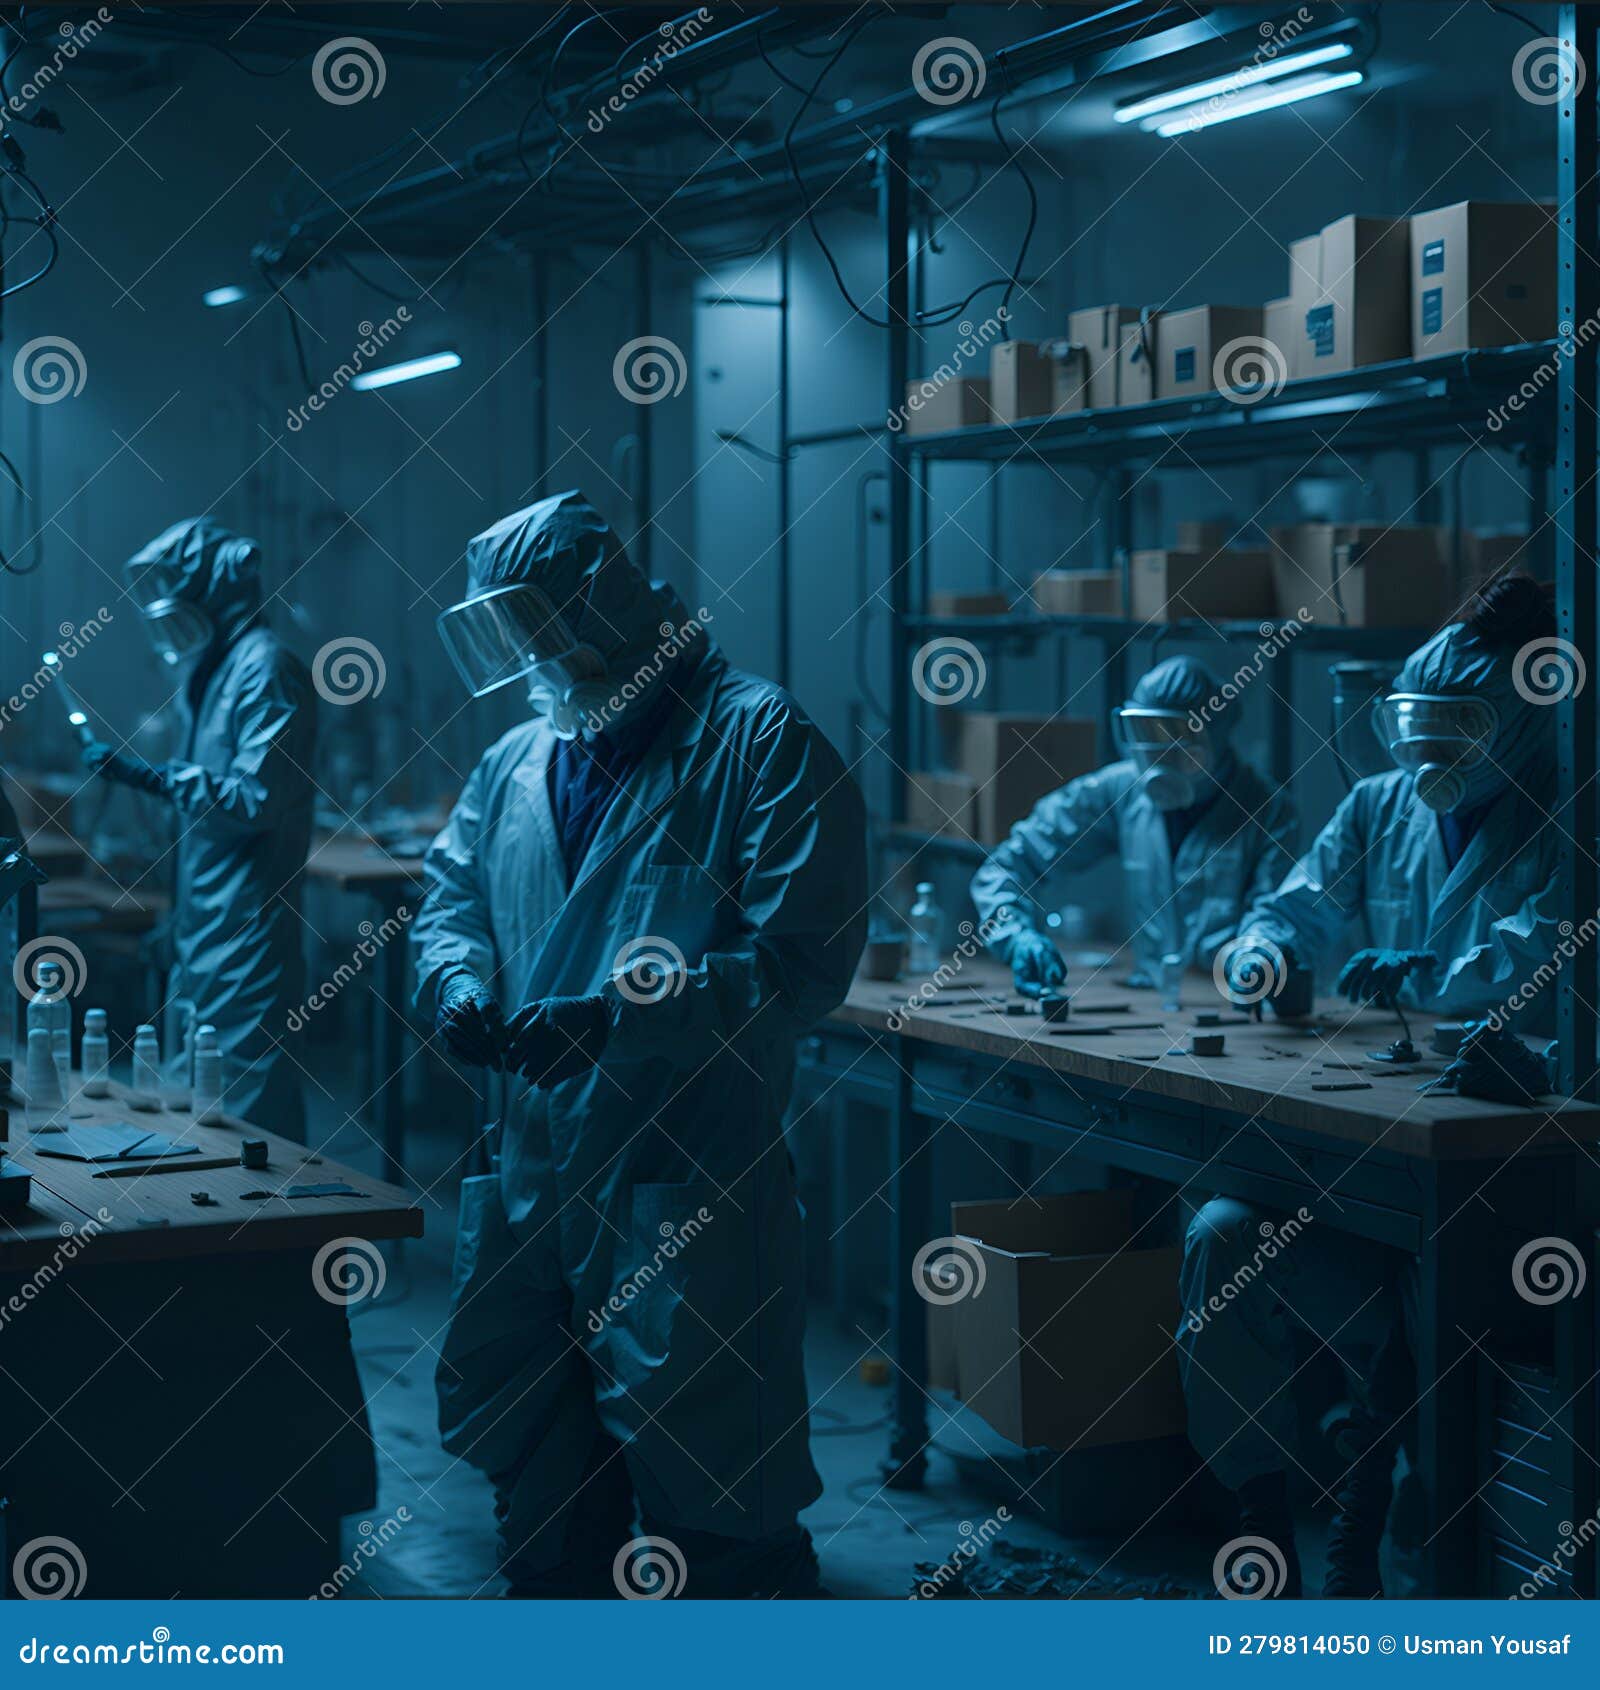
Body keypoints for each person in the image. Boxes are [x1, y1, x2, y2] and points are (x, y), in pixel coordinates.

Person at [411, 490, 867, 1598]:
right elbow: (450, 898)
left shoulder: (757, 740)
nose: (529, 656)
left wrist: (621, 1020)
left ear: (597, 609)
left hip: (683, 1175)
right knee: (544, 1500)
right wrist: (458, 980)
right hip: (530, 1175)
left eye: (539, 628)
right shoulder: (522, 756)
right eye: (511, 636)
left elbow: (799, 965)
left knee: (715, 1495)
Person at [1187, 575, 1563, 1598]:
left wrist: (1433, 979)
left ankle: (1375, 1521)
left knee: (1426, 1303)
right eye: (1417, 728)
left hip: (1501, 1169)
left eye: (1457, 732)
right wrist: (1260, 956)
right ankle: (1270, 1523)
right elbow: (1294, 903)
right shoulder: (1377, 803)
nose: (1427, 755)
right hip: (1381, 1145)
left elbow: (1546, 948)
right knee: (1220, 1234)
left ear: (1520, 721)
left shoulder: (1568, 809)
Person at [81, 517, 316, 1138]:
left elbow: (256, 800)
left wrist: (152, 778)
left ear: (215, 585)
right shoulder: (207, 673)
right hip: (202, 925)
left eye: (176, 584)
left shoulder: (267, 669)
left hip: (248, 931)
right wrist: (175, 917)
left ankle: (281, 1236)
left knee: (251, 1113)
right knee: (198, 1110)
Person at [969, 654, 1297, 992]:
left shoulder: (1268, 810)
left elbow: (1276, 911)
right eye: (1145, 731)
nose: (1159, 755)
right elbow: (1009, 865)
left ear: (1216, 736)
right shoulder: (1119, 790)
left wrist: (1256, 956)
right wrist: (1016, 937)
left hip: (1234, 1005)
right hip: (1153, 999)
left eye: (1178, 737)